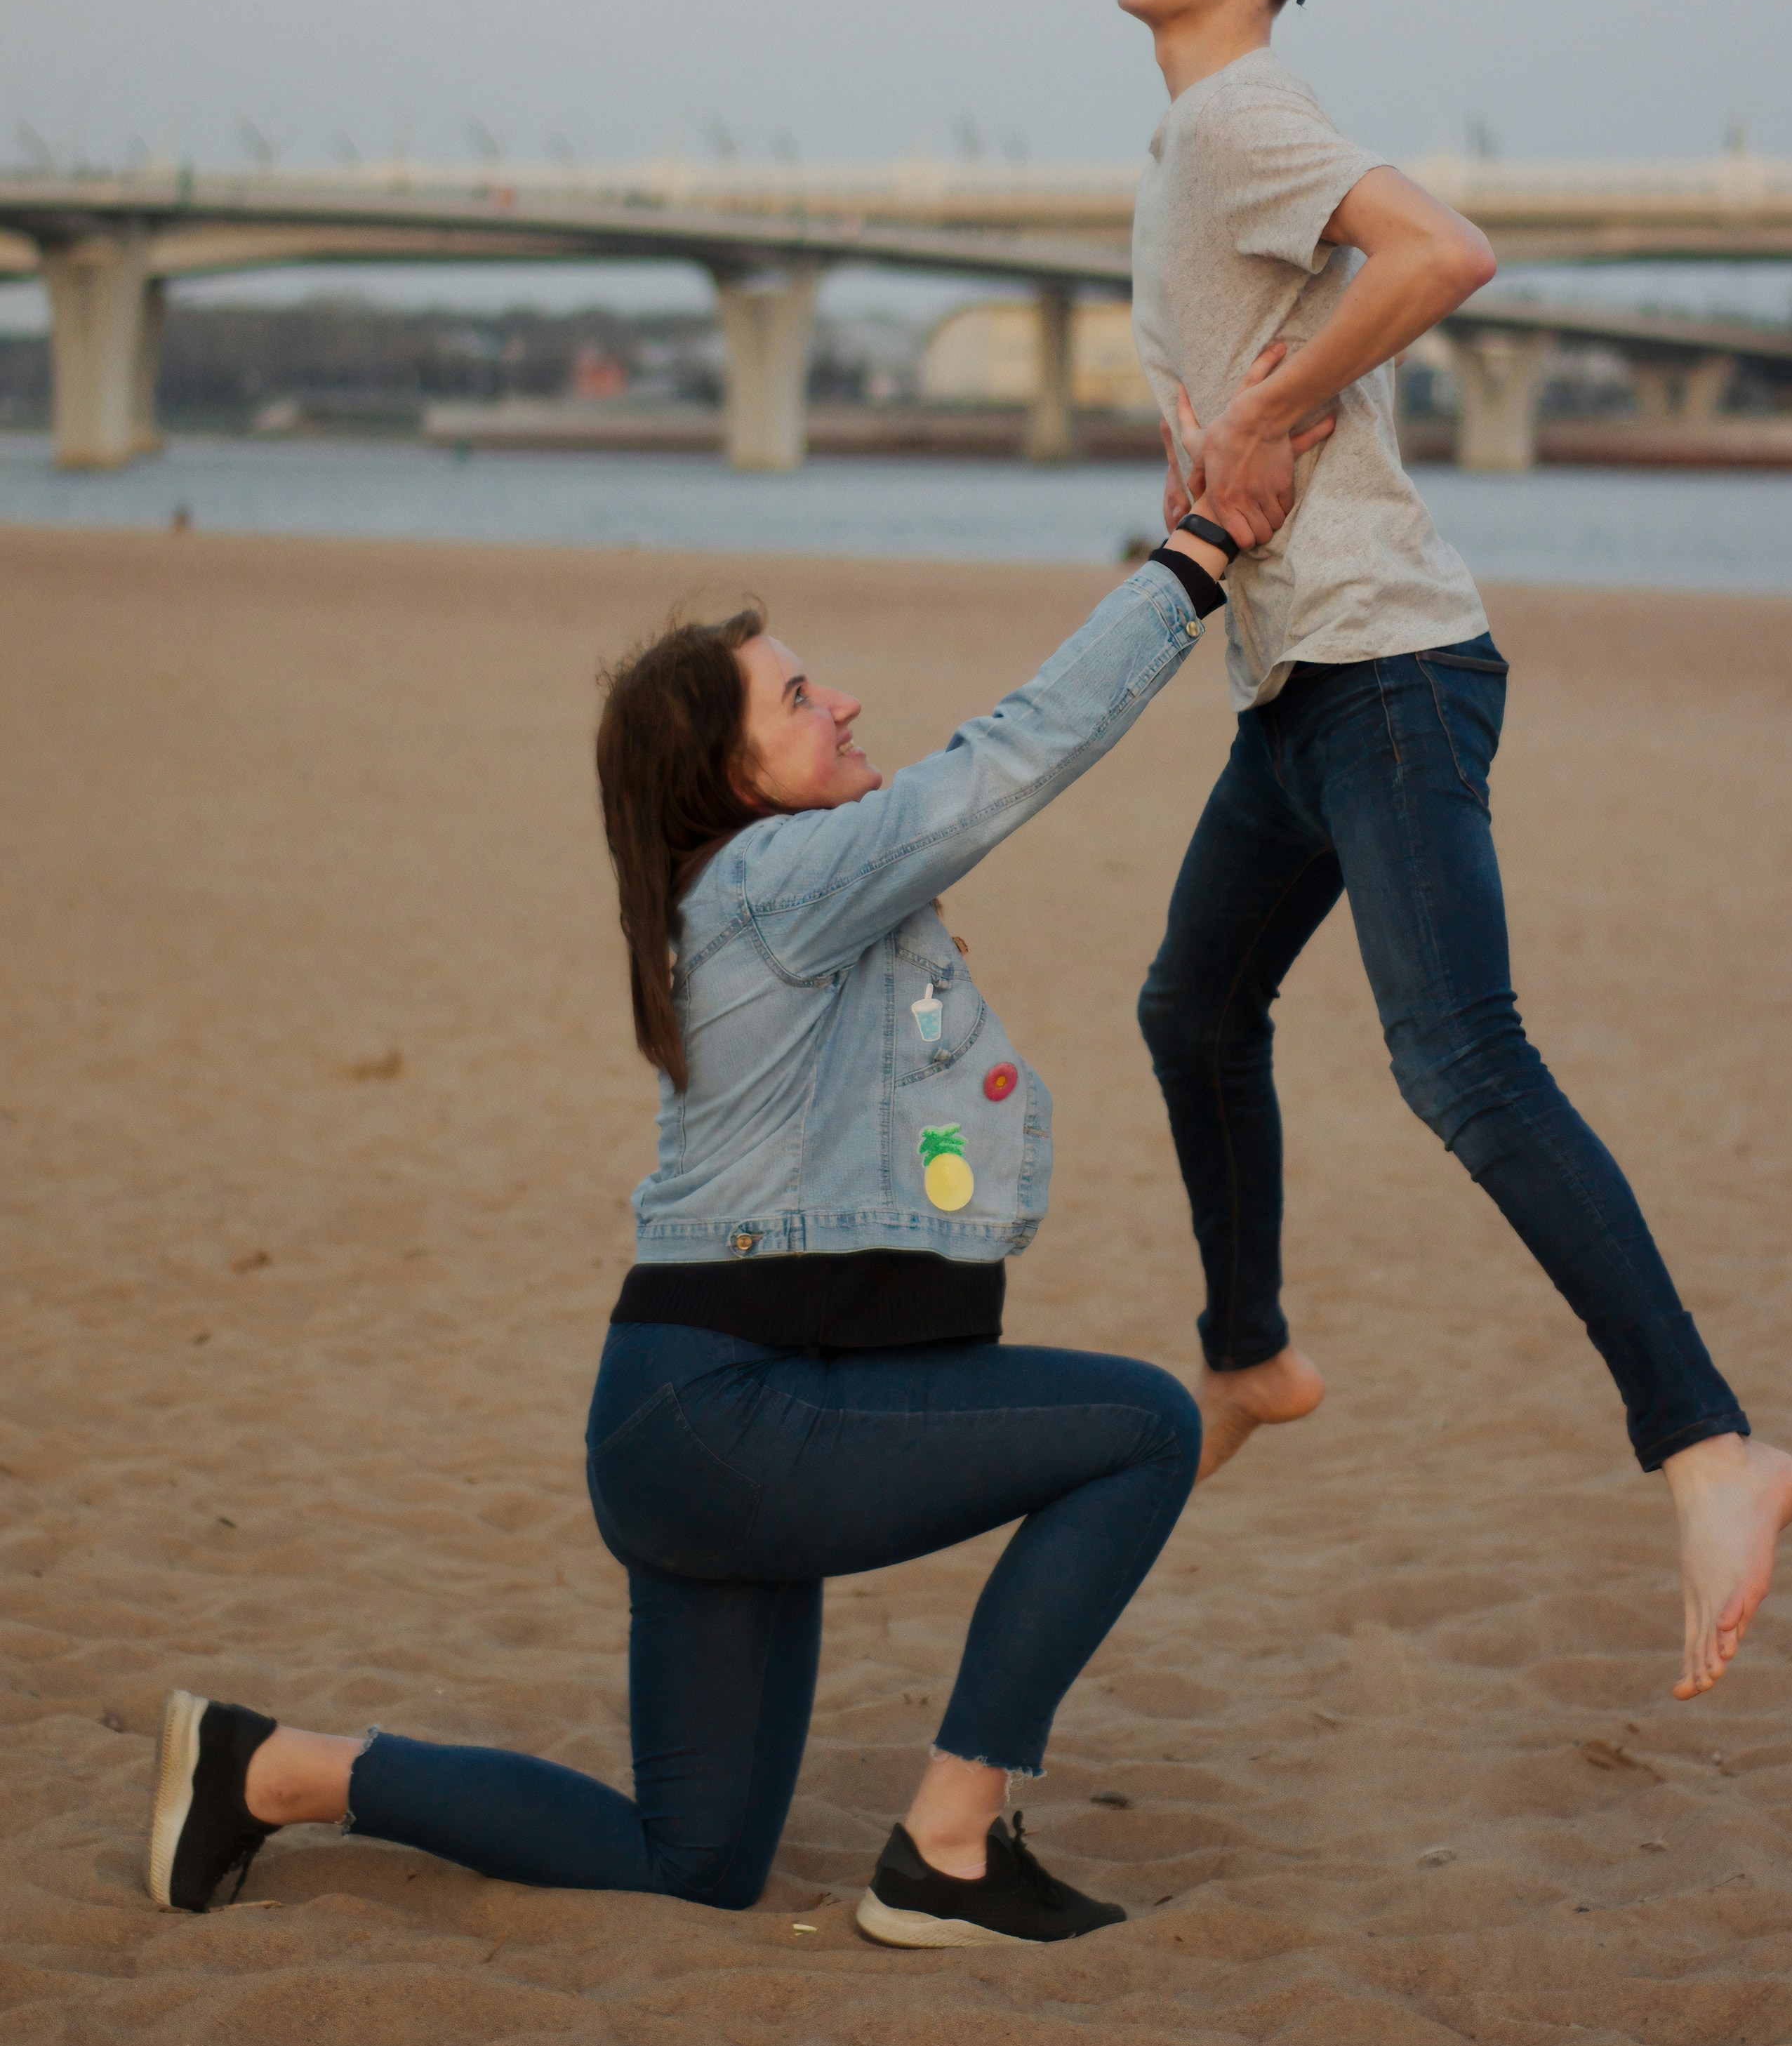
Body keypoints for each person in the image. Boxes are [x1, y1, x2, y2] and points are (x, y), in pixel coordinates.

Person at [145, 405, 1331, 1947]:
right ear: (731, 775)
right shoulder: (773, 883)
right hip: (731, 1416)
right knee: (1144, 1428)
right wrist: (1199, 553)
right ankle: (951, 1849)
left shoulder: (760, 902)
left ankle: (267, 1770)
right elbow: (1009, 758)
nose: (845, 701)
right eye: (797, 697)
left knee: (692, 1863)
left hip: (687, 1426)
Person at [1113, 0, 1792, 1705]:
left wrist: (1263, 410)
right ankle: (1250, 1353)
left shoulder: (1243, 117)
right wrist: (1217, 458)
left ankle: (1712, 1449)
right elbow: (1289, 356)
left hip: (1389, 672)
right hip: (1302, 680)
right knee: (1191, 1008)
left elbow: (1445, 255)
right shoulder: (1193, 142)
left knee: (1465, 1066)